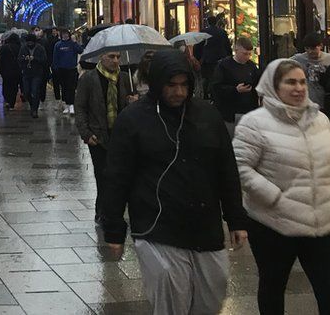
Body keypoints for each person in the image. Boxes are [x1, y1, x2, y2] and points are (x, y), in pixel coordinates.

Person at [103, 50, 248, 314]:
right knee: (172, 301)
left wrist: (236, 218)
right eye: (171, 85)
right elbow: (116, 176)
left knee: (210, 298)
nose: (178, 92)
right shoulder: (133, 119)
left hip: (205, 226)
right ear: (158, 83)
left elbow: (225, 168)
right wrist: (113, 229)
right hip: (158, 227)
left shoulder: (207, 115)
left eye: (184, 85)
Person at [234, 59, 330, 314]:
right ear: (274, 87)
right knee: (273, 288)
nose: (298, 88)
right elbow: (240, 168)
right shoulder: (254, 123)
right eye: (290, 82)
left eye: (302, 82)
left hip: (325, 223)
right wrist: (275, 197)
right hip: (275, 225)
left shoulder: (320, 119)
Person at [74, 50, 130, 224]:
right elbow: (80, 107)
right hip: (98, 137)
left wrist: (135, 101)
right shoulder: (89, 79)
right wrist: (86, 133)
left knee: (118, 176)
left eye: (118, 57)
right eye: (111, 57)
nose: (115, 61)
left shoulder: (125, 78)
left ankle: (110, 211)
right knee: (103, 175)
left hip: (121, 136)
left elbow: (130, 105)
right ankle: (104, 212)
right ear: (101, 57)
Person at [212, 37, 261, 137]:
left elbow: (258, 83)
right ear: (236, 50)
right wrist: (235, 90)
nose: (247, 57)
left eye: (249, 54)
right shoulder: (224, 66)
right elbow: (216, 88)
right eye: (244, 54)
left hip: (248, 111)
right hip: (230, 113)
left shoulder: (251, 66)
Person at [194, 14, 232, 100]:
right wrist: (229, 56)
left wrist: (197, 58)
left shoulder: (204, 32)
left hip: (208, 59)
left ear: (207, 22)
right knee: (219, 77)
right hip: (221, 57)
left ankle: (206, 94)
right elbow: (227, 45)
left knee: (207, 77)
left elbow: (198, 46)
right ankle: (217, 94)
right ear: (216, 22)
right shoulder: (222, 32)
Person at [52, 29, 82, 114]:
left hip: (71, 69)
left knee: (71, 87)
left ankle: (71, 104)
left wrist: (75, 42)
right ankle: (66, 104)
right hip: (61, 70)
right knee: (64, 87)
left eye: (66, 34)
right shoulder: (58, 45)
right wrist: (55, 68)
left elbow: (80, 50)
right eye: (63, 34)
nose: (65, 36)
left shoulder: (72, 44)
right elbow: (55, 57)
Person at [18, 33, 48, 118]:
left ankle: (34, 109)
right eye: (28, 42)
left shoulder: (40, 48)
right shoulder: (23, 48)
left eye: (31, 42)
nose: (30, 44)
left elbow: (44, 59)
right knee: (26, 92)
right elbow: (19, 59)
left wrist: (35, 59)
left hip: (37, 73)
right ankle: (32, 105)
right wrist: (24, 59)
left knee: (35, 91)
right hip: (26, 73)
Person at [0, 33, 22, 110]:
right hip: (16, 70)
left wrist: (0, 69)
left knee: (6, 85)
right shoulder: (20, 47)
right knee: (14, 86)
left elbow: (0, 59)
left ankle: (7, 99)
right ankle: (12, 102)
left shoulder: (4, 47)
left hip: (5, 70)